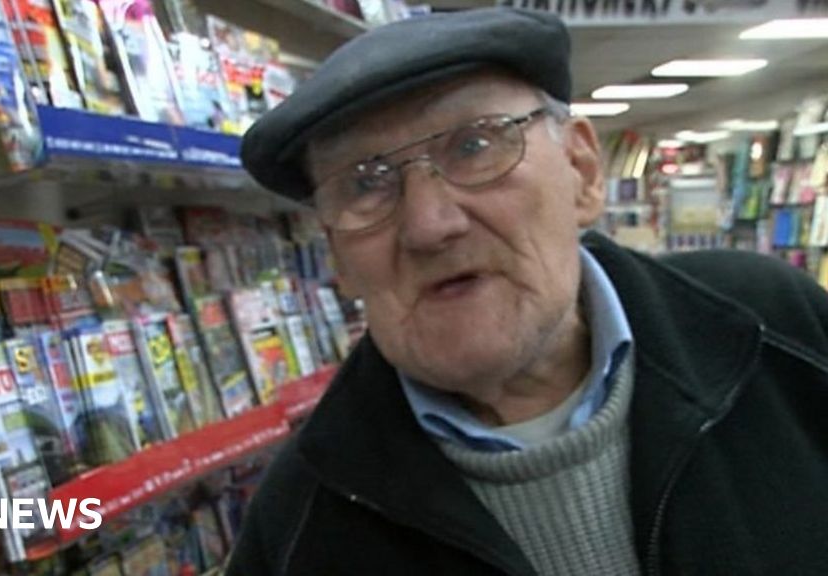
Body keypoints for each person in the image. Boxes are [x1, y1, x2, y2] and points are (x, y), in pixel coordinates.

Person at [227, 7, 828, 576]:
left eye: (474, 145)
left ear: (582, 171)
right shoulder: (293, 530)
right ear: (337, 258)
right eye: (364, 184)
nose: (430, 224)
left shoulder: (778, 329)